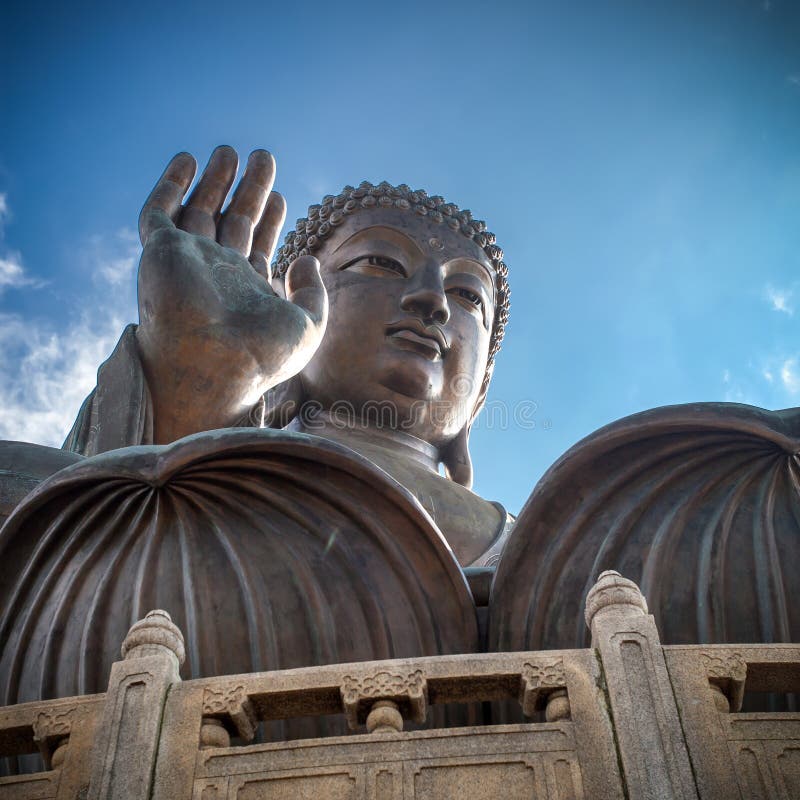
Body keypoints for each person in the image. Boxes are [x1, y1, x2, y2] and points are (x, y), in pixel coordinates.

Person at [64, 146, 513, 566]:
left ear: (481, 393)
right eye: (381, 262)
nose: (432, 300)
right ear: (288, 301)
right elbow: (88, 570)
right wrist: (187, 398)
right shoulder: (238, 476)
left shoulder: (546, 540)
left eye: (468, 296)